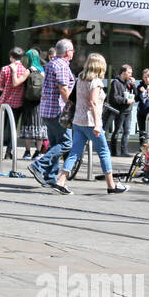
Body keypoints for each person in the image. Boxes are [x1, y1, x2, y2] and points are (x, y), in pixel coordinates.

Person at [51, 53, 127, 195]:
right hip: (91, 122)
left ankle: (60, 181)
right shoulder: (96, 82)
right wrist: (98, 124)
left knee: (75, 152)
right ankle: (111, 186)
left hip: (78, 121)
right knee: (104, 152)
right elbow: (93, 103)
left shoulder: (80, 79)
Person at [28, 39, 76, 187]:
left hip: (47, 109)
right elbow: (63, 89)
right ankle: (39, 165)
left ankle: (50, 177)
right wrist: (71, 107)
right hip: (58, 110)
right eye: (72, 50)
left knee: (55, 143)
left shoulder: (51, 63)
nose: (73, 53)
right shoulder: (61, 65)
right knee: (67, 143)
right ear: (67, 52)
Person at [0, 46, 29, 159]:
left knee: (2, 127)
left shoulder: (5, 69)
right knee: (13, 127)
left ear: (11, 57)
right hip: (18, 102)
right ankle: (9, 152)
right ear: (21, 58)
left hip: (5, 102)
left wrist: (5, 88)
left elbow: (0, 85)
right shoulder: (25, 70)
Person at [20, 48, 46, 159]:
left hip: (29, 102)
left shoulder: (29, 70)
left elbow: (19, 81)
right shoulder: (42, 70)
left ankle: (27, 151)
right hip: (40, 102)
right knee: (39, 126)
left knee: (28, 126)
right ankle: (38, 152)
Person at [106, 64, 136, 156]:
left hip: (128, 110)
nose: (131, 75)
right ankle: (114, 151)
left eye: (131, 73)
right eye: (129, 73)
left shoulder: (128, 83)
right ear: (123, 73)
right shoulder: (116, 82)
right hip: (120, 110)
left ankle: (124, 151)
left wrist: (134, 85)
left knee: (127, 131)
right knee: (117, 130)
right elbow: (114, 97)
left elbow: (135, 94)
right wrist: (125, 100)